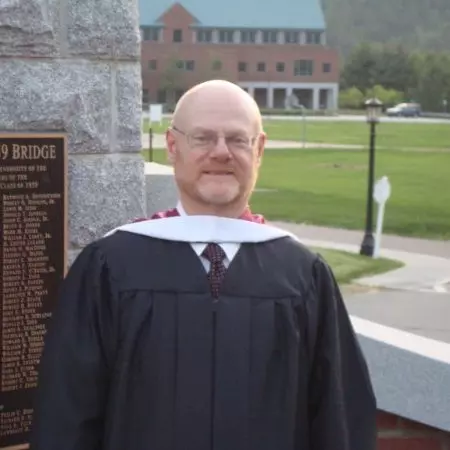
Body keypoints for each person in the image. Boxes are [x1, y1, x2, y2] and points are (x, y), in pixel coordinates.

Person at [30, 80, 377, 450]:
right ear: (172, 146)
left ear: (259, 149)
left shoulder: (303, 276)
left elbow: (339, 420)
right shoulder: (111, 267)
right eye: (203, 138)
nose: (221, 152)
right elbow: (67, 418)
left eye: (238, 139)